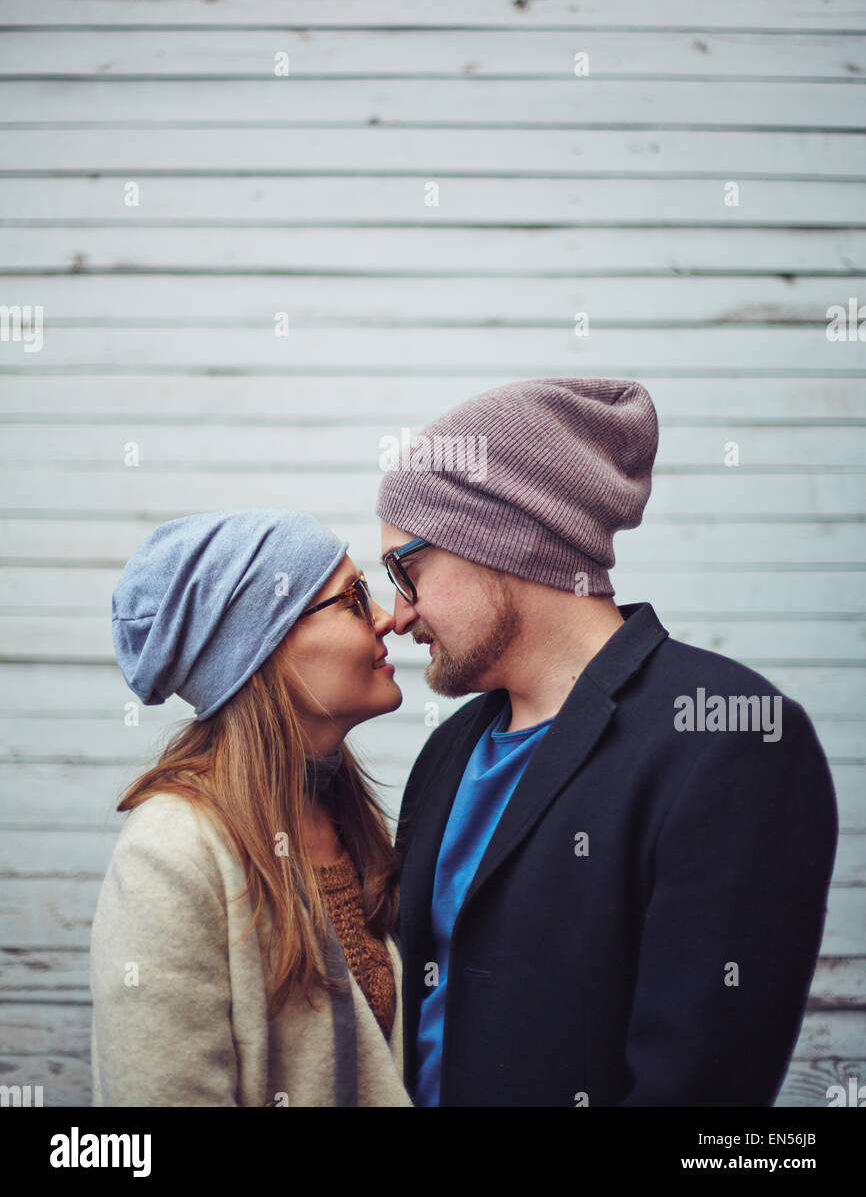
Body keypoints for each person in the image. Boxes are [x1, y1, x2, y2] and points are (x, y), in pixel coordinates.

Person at [376, 376, 838, 1107]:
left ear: (496, 538)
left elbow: (699, 1087)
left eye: (405, 570)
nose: (397, 616)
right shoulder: (450, 750)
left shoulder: (730, 738)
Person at [90, 508, 412, 1107]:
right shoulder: (170, 851)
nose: (388, 619)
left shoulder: (344, 816)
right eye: (353, 599)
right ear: (266, 647)